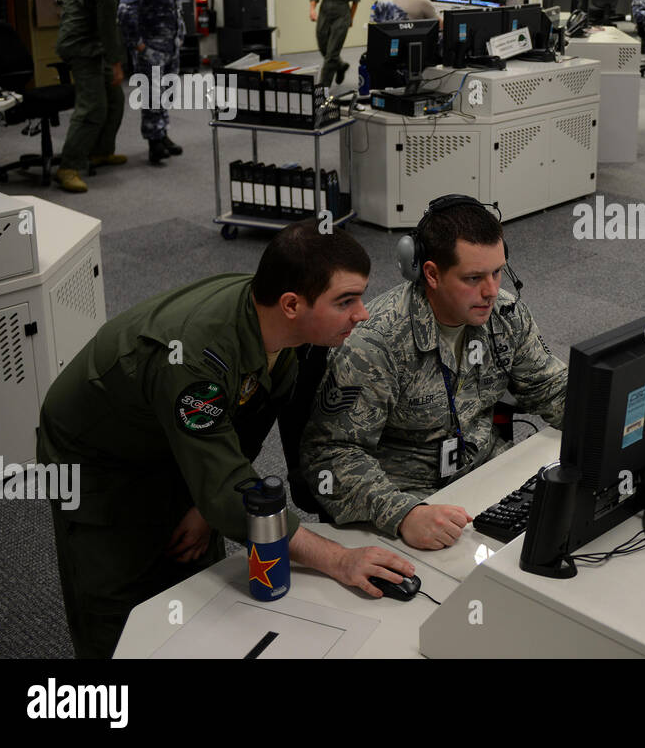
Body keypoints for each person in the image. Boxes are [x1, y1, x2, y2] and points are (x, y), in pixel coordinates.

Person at [36, 220, 415, 658]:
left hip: (180, 436)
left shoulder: (282, 325)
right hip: (98, 455)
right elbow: (227, 488)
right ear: (292, 304)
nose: (362, 313)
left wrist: (204, 508)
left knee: (199, 580)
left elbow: (247, 425)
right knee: (119, 606)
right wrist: (338, 559)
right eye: (346, 300)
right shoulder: (195, 358)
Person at [301, 196, 567, 550]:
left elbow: (549, 386)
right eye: (473, 278)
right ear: (431, 274)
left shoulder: (505, 314)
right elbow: (330, 455)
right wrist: (403, 514)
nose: (490, 291)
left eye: (497, 272)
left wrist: (611, 423)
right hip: (410, 502)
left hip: (487, 477)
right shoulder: (376, 343)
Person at [54, 0, 128, 193]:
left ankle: (100, 151)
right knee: (92, 106)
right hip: (82, 48)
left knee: (115, 99)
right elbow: (107, 24)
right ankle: (68, 167)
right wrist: (117, 63)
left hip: (90, 45)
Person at [118, 0, 185, 165]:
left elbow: (175, 12)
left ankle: (162, 134)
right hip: (151, 50)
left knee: (165, 94)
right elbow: (125, 12)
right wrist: (137, 44)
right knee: (151, 96)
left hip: (169, 49)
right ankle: (153, 143)